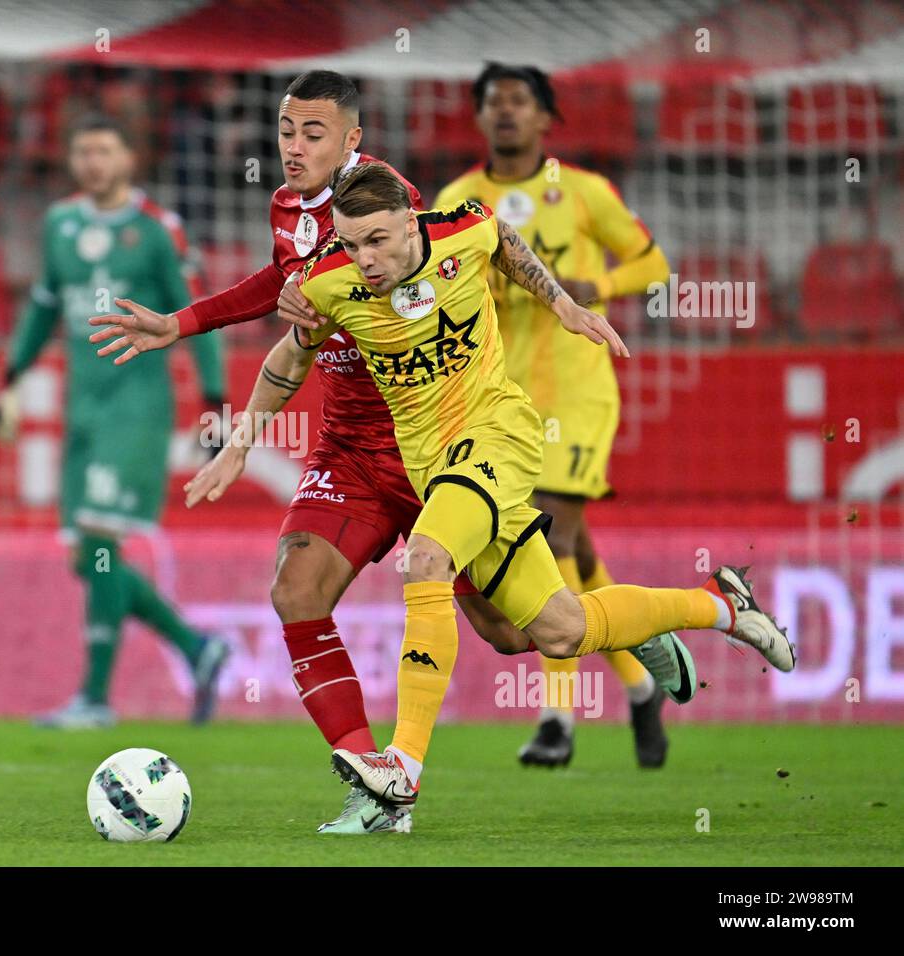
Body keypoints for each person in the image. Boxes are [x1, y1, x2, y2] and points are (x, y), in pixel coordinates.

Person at [89, 73, 697, 834]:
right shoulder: (288, 211)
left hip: (441, 443)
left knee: (521, 635)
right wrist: (192, 344)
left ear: (353, 141)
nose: (293, 148)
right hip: (352, 450)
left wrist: (566, 302)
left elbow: (473, 249)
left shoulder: (389, 208)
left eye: (313, 133)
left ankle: (640, 626)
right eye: (285, 131)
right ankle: (380, 789)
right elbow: (288, 298)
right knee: (295, 591)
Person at [292, 162, 792, 817]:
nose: (365, 259)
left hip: (497, 436)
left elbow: (504, 240)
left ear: (410, 223)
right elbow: (292, 350)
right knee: (557, 631)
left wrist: (563, 303)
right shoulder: (328, 281)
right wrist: (247, 422)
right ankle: (720, 605)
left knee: (427, 560)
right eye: (352, 244)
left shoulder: (460, 228)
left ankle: (403, 766)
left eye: (379, 240)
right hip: (431, 468)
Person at [435, 63, 678, 768]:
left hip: (577, 390)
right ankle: (638, 686)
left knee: (553, 530)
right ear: (478, 118)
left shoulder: (584, 192)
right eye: (492, 103)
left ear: (546, 119)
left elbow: (653, 264)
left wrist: (594, 285)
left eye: (519, 102)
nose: (505, 113)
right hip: (501, 400)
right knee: (578, 553)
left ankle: (557, 722)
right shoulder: (459, 200)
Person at [0, 113, 229, 729]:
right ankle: (200, 649)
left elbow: (197, 311)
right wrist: (11, 377)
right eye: (82, 151)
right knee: (87, 559)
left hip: (137, 409)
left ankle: (94, 700)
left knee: (99, 540)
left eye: (104, 150)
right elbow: (45, 301)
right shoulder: (60, 223)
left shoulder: (158, 230)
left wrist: (214, 401)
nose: (92, 161)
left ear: (129, 157)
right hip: (83, 412)